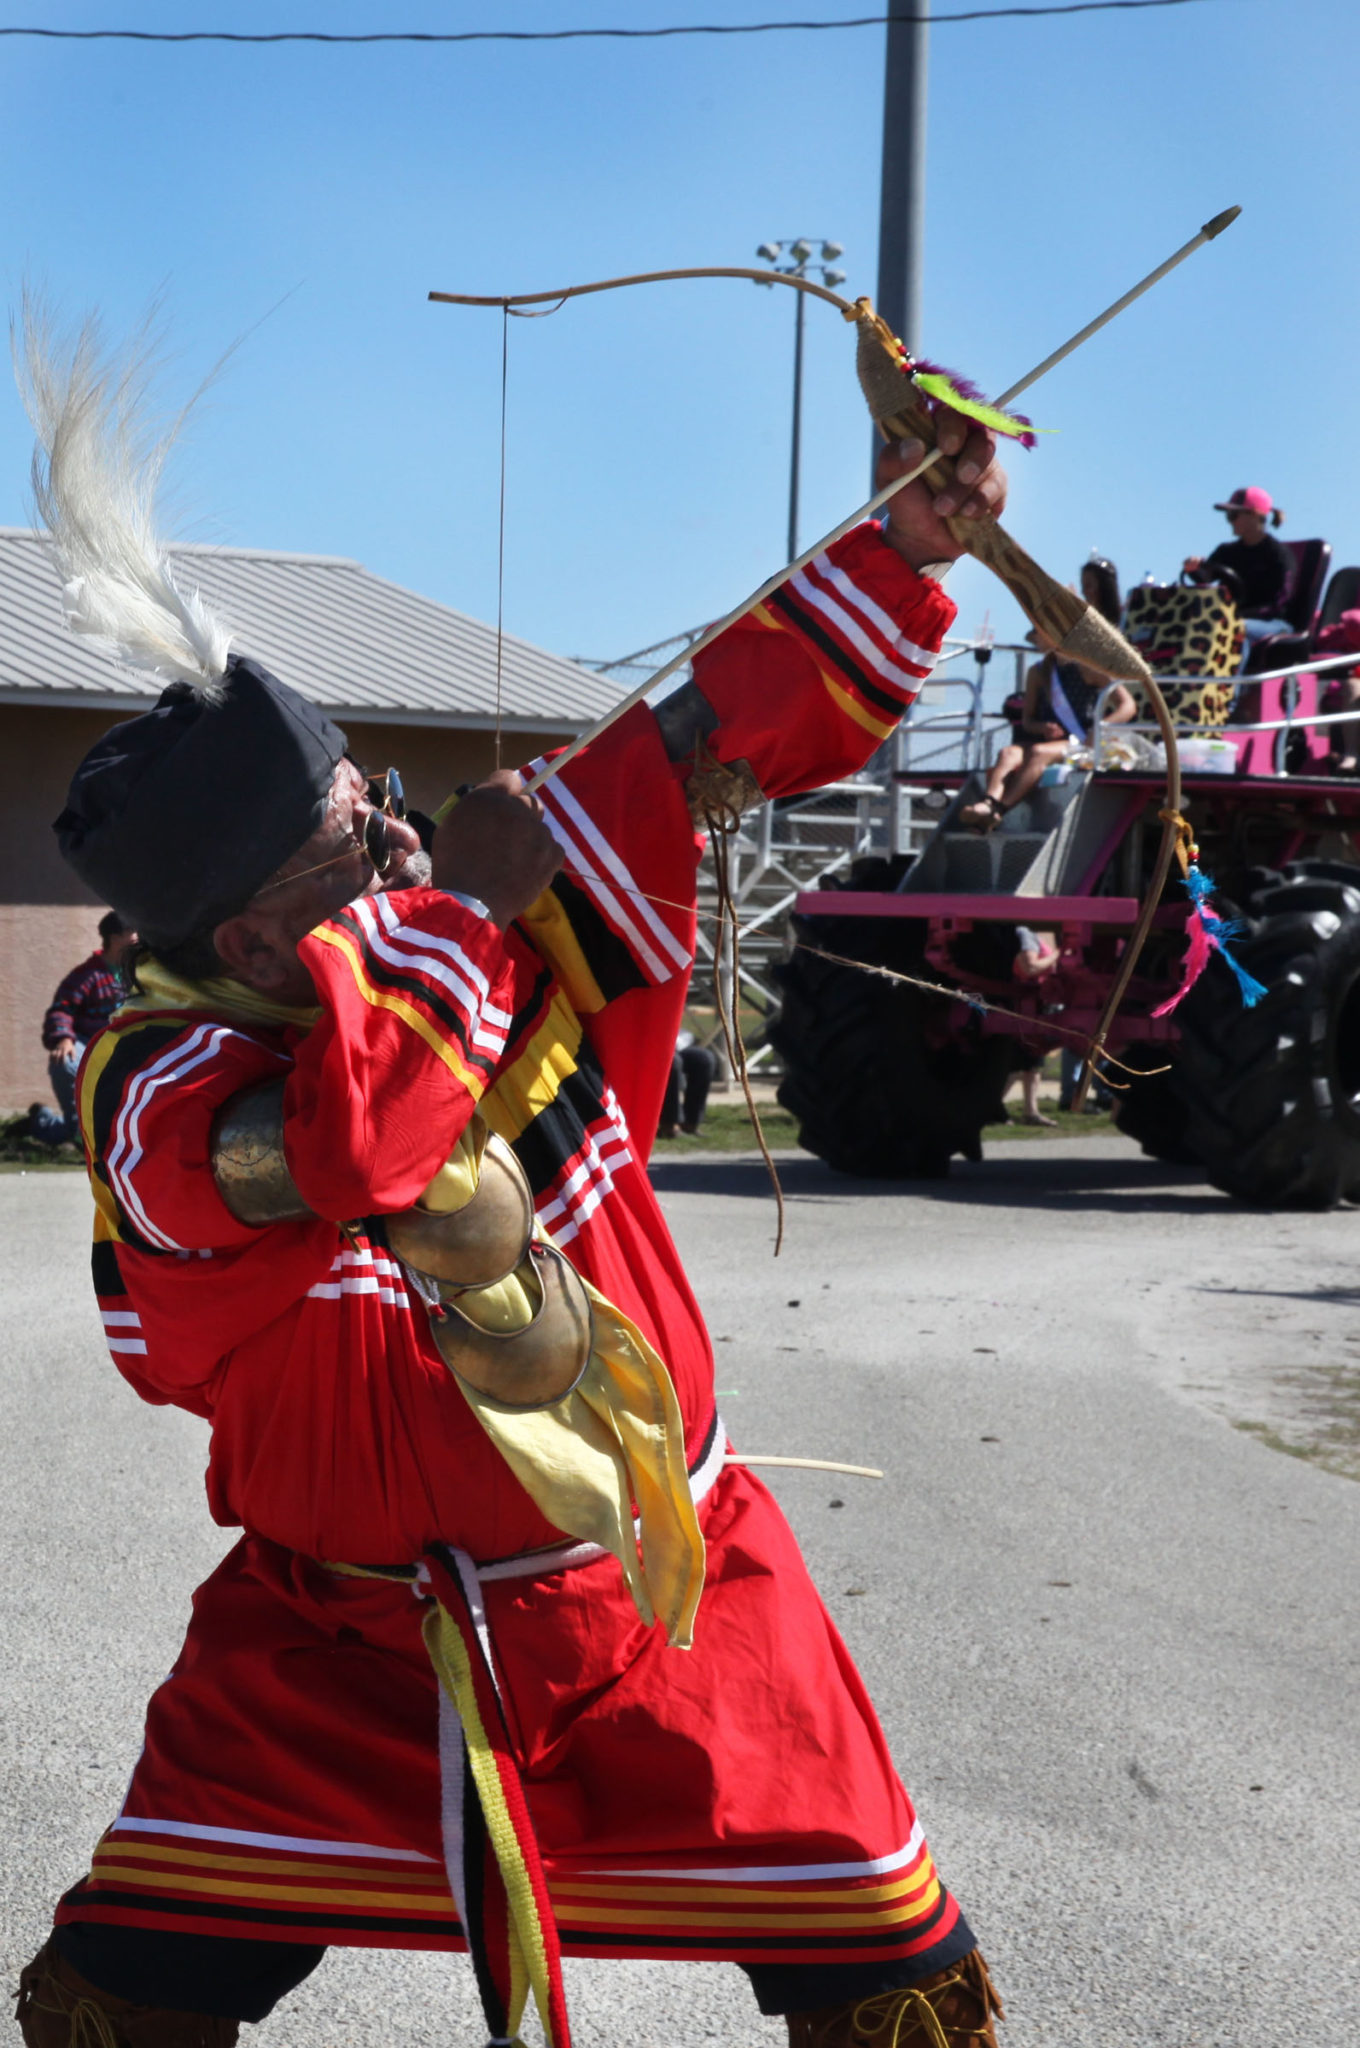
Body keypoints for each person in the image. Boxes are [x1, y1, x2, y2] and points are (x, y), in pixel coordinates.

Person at [14, 316, 1010, 2048]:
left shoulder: (494, 909)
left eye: (384, 795)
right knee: (118, 2000)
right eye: (356, 825)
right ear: (247, 931)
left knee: (897, 1986)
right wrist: (467, 907)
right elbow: (355, 1143)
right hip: (332, 1654)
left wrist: (908, 533)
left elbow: (700, 727)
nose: (404, 832)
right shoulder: (152, 1075)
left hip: (647, 1598)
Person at [959, 634, 1137, 832]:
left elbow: (1128, 706)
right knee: (1007, 753)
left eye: (1040, 635)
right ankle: (988, 803)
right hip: (1047, 741)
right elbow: (1028, 720)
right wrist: (1042, 728)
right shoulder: (1037, 672)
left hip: (1080, 743)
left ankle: (999, 811)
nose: (1036, 641)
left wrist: (1100, 727)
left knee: (1038, 753)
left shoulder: (1089, 667)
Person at [29, 910, 137, 1144]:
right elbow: (62, 1009)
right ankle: (82, 1135)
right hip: (91, 1045)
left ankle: (47, 1123)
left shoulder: (141, 971)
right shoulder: (87, 975)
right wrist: (63, 1039)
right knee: (65, 1062)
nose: (137, 937)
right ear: (115, 937)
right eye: (131, 931)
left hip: (127, 1047)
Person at [1183, 487, 1292, 671]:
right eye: (1228, 516)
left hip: (1274, 623)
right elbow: (1206, 580)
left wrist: (1234, 617)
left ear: (1255, 516)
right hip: (1233, 618)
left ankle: (1230, 696)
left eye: (1233, 516)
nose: (1229, 522)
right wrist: (1193, 569)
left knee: (1235, 630)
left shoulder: (1278, 555)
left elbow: (1278, 604)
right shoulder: (1226, 552)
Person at [1009, 927, 1060, 1125]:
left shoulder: (1029, 932)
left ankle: (1030, 1111)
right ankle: (990, 1107)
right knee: (1021, 1062)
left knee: (1032, 1064)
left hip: (1036, 1004)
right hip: (1028, 1005)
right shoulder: (1024, 932)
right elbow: (1030, 967)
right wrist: (1056, 955)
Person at [658, 1028, 717, 1138]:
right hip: (651, 1042)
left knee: (704, 1059)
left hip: (676, 1042)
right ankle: (670, 1124)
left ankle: (691, 1123)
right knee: (673, 1062)